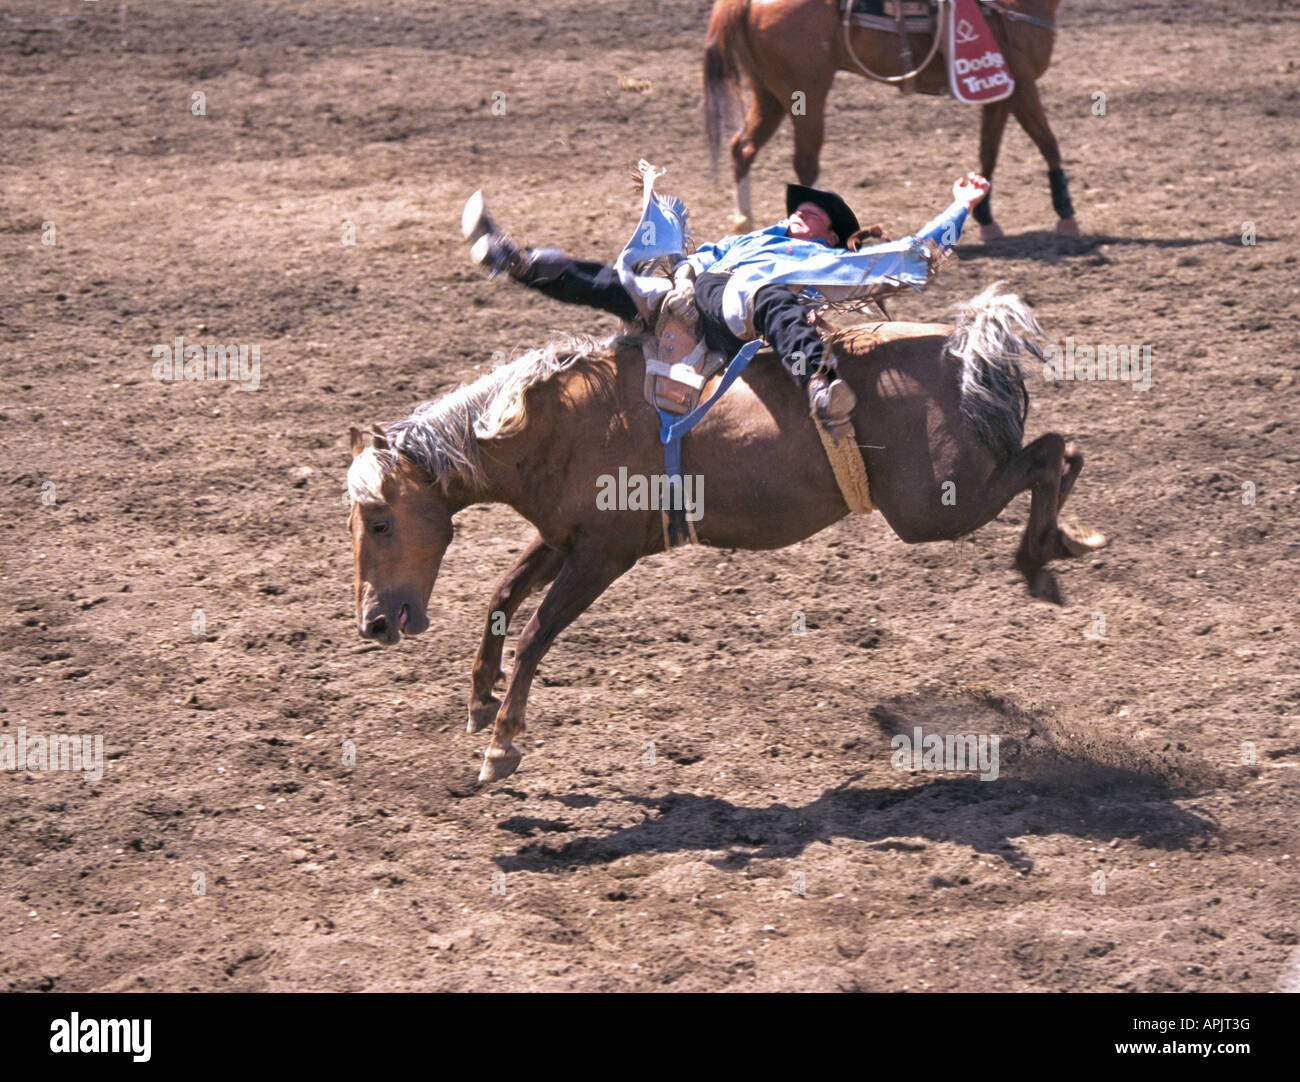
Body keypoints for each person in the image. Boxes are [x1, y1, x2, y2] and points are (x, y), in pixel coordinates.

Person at [461, 173, 991, 426]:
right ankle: (515, 260)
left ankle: (818, 382)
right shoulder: (746, 242)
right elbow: (700, 257)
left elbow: (910, 257)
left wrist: (960, 206)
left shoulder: (827, 263)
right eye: (801, 206)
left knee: (764, 295)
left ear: (832, 236)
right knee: (612, 284)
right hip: (688, 295)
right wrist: (682, 274)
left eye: (815, 212)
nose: (802, 209)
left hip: (734, 310)